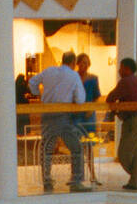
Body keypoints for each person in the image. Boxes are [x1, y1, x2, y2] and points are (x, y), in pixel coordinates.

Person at [28, 51, 87, 192]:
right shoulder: (73, 75)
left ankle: (47, 181)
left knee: (47, 148)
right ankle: (76, 181)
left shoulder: (49, 71)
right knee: (76, 148)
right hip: (62, 116)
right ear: (73, 63)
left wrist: (38, 94)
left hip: (47, 115)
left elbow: (32, 82)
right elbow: (80, 100)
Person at [105, 57, 137, 191]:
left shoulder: (126, 82)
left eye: (121, 67)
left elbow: (110, 97)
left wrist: (116, 107)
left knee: (124, 153)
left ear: (127, 69)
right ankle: (135, 179)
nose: (119, 70)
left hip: (132, 120)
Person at [75, 54, 101, 138]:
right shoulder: (73, 78)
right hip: (76, 113)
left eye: (87, 63)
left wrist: (91, 109)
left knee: (89, 139)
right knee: (76, 139)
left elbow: (96, 96)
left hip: (89, 113)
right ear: (78, 64)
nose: (85, 65)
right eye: (83, 63)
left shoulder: (93, 78)